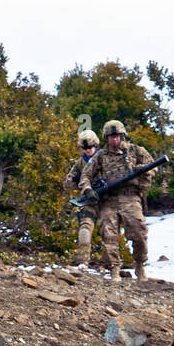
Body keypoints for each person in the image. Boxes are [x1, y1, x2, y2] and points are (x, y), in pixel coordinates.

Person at [78, 120, 157, 281]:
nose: (114, 140)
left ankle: (140, 265)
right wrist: (88, 190)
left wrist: (141, 170)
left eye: (117, 136)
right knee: (109, 235)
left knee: (139, 233)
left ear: (122, 136)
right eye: (110, 137)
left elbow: (153, 167)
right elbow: (85, 175)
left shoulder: (136, 151)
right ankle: (114, 268)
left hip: (130, 198)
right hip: (109, 200)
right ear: (106, 138)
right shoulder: (100, 156)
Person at [64, 130, 100, 267]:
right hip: (88, 199)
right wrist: (76, 179)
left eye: (91, 147)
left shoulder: (104, 158)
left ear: (95, 145)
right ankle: (83, 261)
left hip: (107, 199)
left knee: (110, 230)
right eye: (85, 148)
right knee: (85, 226)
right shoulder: (79, 163)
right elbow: (66, 185)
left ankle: (112, 263)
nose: (88, 150)